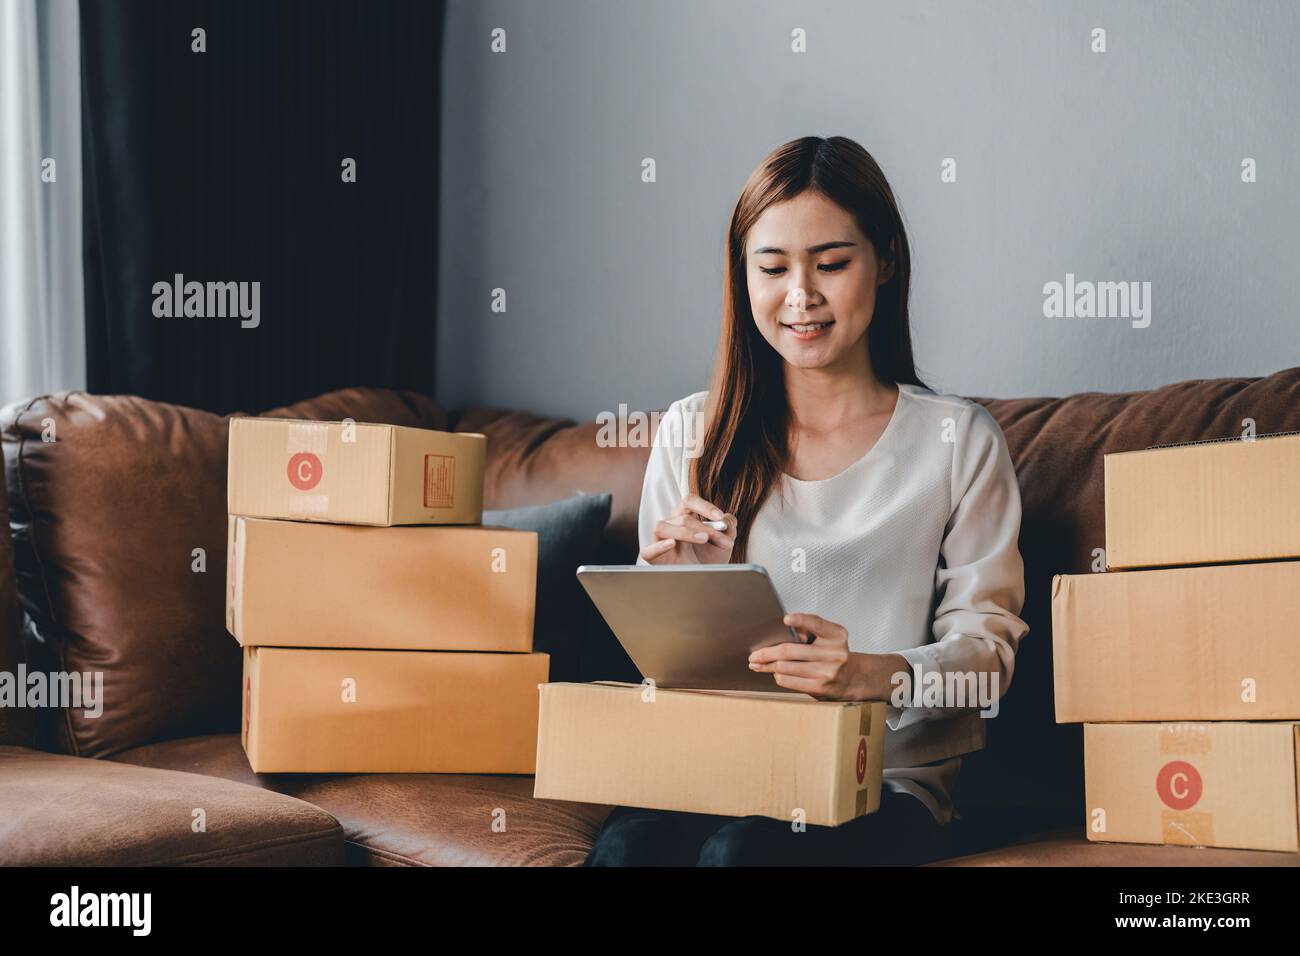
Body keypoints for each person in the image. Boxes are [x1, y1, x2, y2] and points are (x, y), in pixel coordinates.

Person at [585, 135, 1029, 866]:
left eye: (831, 264)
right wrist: (676, 581)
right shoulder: (694, 433)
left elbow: (989, 656)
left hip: (882, 780)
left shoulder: (959, 440)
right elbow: (660, 672)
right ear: (743, 277)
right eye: (773, 268)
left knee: (742, 856)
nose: (801, 296)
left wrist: (871, 675)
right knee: (629, 850)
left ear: (884, 262)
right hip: (720, 765)